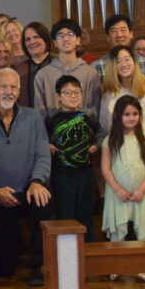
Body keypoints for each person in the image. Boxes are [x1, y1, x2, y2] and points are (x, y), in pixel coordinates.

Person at [0, 68, 52, 286]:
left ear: (19, 91)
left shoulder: (33, 118)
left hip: (28, 190)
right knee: (3, 270)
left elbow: (43, 154)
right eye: (4, 86)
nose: (9, 91)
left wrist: (37, 181)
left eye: (13, 87)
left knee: (43, 202)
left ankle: (39, 266)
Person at [100, 95, 145, 281]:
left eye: (135, 114)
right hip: (118, 193)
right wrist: (118, 189)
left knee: (143, 230)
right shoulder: (110, 141)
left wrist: (142, 189)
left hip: (142, 192)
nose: (131, 118)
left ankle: (144, 267)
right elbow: (105, 168)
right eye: (127, 114)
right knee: (117, 230)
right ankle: (116, 266)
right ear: (118, 116)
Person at [99, 46, 145, 190]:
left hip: (144, 164)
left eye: (127, 59)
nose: (123, 64)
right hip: (118, 165)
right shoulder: (108, 94)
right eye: (118, 61)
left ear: (134, 62)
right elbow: (105, 128)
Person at [46, 75, 101, 241]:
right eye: (68, 92)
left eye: (77, 92)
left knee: (86, 214)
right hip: (62, 175)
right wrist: (47, 144)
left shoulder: (88, 115)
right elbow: (42, 136)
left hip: (85, 173)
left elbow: (101, 132)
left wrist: (97, 144)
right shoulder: (52, 118)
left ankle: (89, 249)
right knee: (65, 215)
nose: (73, 96)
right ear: (58, 96)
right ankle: (66, 252)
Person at [34, 19, 100, 118]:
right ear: (55, 42)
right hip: (53, 127)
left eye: (70, 34)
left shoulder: (90, 73)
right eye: (60, 35)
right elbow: (39, 113)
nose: (65, 39)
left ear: (78, 40)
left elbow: (95, 110)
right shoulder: (43, 74)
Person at [91, 14, 145, 79]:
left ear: (131, 34)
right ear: (107, 37)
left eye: (123, 30)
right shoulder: (97, 66)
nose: (119, 35)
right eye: (114, 31)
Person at [14, 22, 53, 109]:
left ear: (45, 39)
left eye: (36, 37)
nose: (32, 42)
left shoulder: (57, 64)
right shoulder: (19, 69)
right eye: (28, 39)